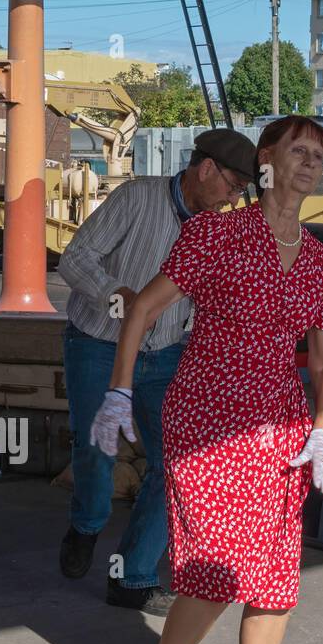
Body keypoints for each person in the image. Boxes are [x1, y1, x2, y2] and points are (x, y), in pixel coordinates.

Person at [88, 116, 323, 644]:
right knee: (218, 567)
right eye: (298, 151)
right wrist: (119, 392)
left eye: (319, 155)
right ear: (266, 159)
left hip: (279, 423)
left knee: (277, 570)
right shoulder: (217, 233)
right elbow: (144, 309)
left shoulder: (318, 261)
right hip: (208, 416)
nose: (310, 163)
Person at [58, 128, 257, 614]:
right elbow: (74, 259)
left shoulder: (216, 229)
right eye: (231, 185)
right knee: (99, 446)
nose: (233, 198)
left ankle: (132, 576)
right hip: (99, 344)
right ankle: (88, 523)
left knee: (180, 463)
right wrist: (117, 294)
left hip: (166, 352)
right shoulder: (136, 197)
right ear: (206, 168)